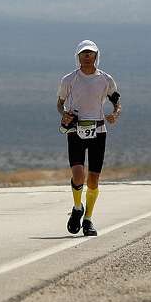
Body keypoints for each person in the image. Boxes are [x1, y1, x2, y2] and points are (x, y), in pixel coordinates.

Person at [57, 39, 121, 236]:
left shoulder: (106, 79)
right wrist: (64, 114)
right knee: (78, 174)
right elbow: (60, 103)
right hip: (76, 131)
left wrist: (115, 114)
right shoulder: (69, 80)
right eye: (83, 53)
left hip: (98, 132)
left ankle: (88, 219)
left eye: (90, 53)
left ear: (96, 56)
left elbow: (116, 100)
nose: (87, 56)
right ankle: (77, 208)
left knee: (93, 180)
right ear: (78, 56)